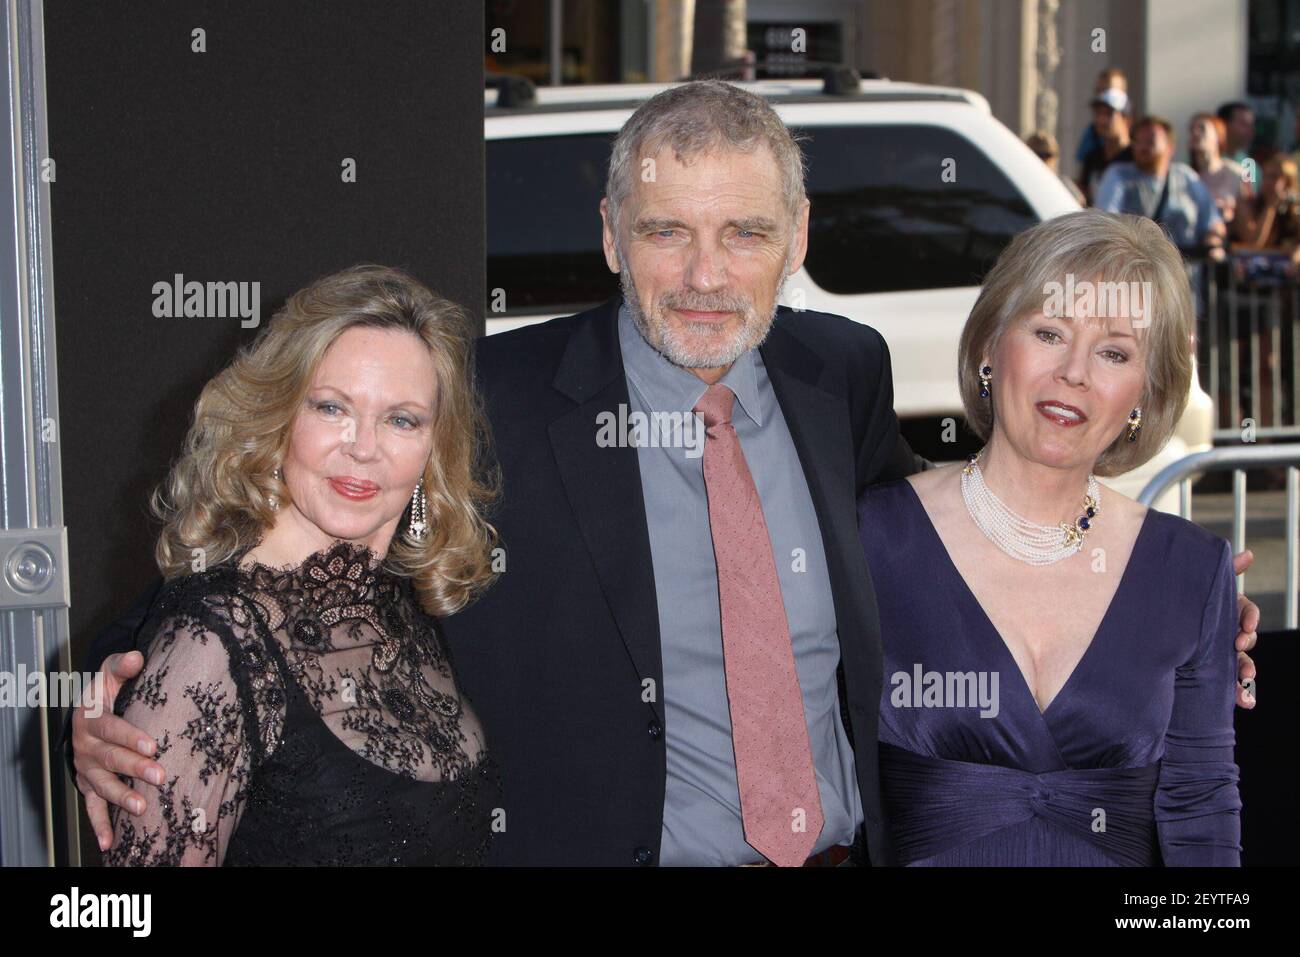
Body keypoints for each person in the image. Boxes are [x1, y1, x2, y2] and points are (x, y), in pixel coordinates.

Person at [70, 82, 1261, 867]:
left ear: (795, 242)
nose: (704, 275)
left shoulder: (835, 374)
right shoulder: (497, 399)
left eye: (744, 233)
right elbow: (305, 541)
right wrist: (128, 685)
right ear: (607, 236)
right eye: (664, 232)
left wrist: (1172, 614)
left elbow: (956, 542)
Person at [860, 210, 1242, 865]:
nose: (1075, 372)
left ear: (1142, 397)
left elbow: (1201, 812)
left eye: (1114, 351)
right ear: (989, 345)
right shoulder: (871, 538)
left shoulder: (1191, 571)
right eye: (1049, 332)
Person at [96, 265, 502, 865]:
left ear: (432, 449)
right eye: (332, 408)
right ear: (278, 416)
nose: (364, 446)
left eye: (401, 419)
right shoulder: (216, 641)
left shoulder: (400, 607)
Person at [1095, 116, 1226, 258]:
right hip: (1141, 272)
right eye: (1137, 141)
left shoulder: (1186, 176)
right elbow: (1105, 222)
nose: (1142, 147)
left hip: (1187, 272)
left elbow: (1212, 220)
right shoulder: (1119, 175)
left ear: (1170, 148)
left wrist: (1213, 245)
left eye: (1150, 141)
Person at [1189, 112, 1250, 227]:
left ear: (1218, 135)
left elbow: (1248, 218)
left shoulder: (1237, 173)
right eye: (1192, 129)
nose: (1195, 133)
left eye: (1202, 128)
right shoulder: (1184, 175)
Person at [1077, 87, 1133, 205]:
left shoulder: (1137, 158)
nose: (1102, 120)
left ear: (1126, 120)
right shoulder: (1091, 158)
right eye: (1098, 113)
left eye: (1109, 114)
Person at [1073, 68, 1128, 167]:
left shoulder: (1139, 142)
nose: (1102, 95)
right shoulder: (1091, 134)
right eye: (1098, 90)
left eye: (1107, 90)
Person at [1026, 130, 1085, 205]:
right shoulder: (1018, 186)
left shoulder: (1064, 186)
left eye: (1047, 155)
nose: (1043, 160)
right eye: (1038, 154)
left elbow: (1080, 203)